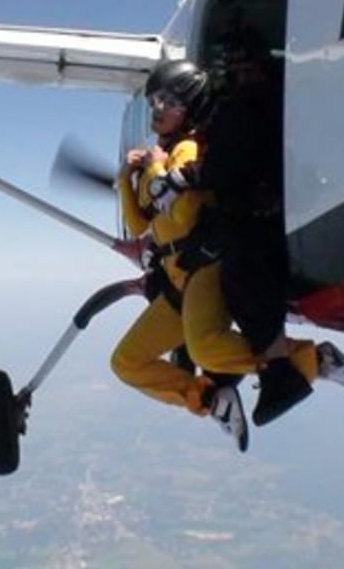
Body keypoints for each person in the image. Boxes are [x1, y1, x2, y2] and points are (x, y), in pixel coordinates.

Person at [176, 34, 344, 426]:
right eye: (236, 68)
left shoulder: (237, 112)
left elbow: (228, 167)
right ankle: (268, 376)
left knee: (242, 286)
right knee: (237, 301)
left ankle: (294, 369)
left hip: (248, 221)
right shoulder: (277, 104)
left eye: (243, 67)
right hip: (274, 214)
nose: (240, 75)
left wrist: (192, 176)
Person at [109, 60, 251, 451]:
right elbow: (140, 225)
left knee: (207, 347)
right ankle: (210, 399)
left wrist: (156, 168)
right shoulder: (161, 155)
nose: (157, 109)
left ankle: (307, 361)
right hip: (176, 281)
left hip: (201, 270)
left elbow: (183, 213)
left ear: (189, 109)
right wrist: (125, 179)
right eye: (155, 100)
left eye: (169, 102)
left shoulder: (188, 149)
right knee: (126, 362)